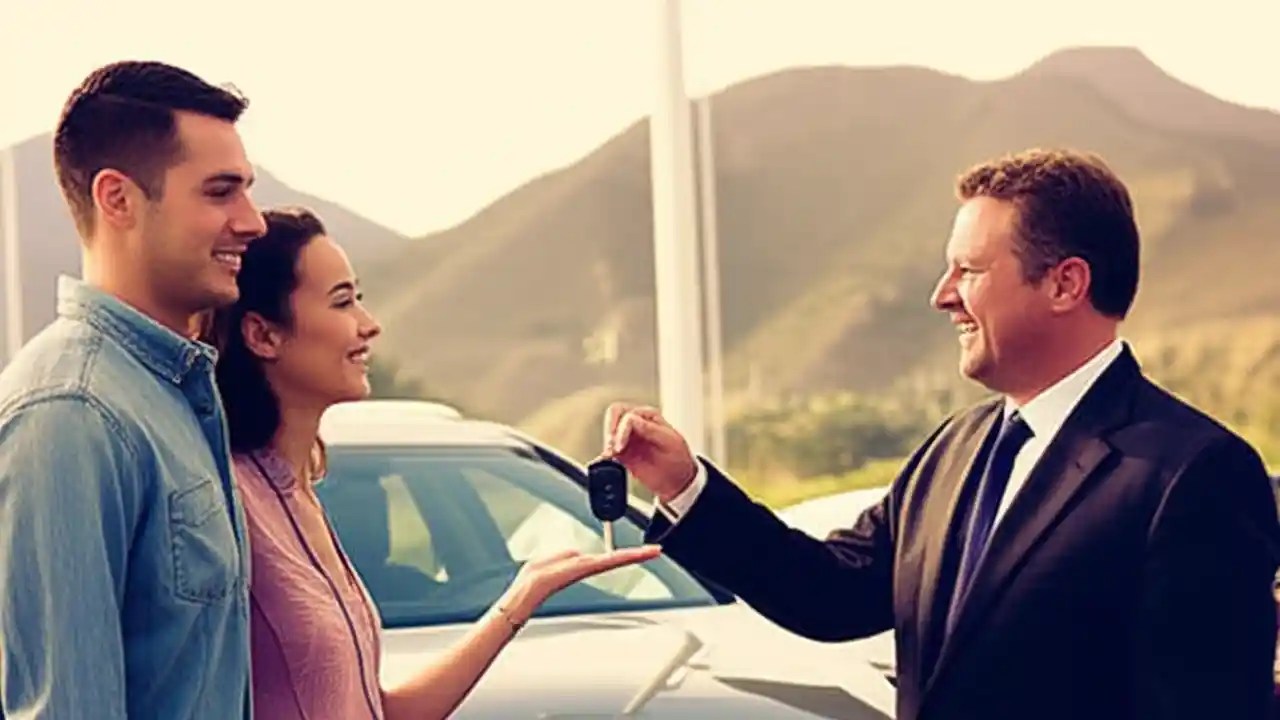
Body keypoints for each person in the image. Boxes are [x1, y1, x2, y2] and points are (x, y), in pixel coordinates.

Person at [601, 148, 1280, 720]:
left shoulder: (1194, 475)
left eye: (969, 270)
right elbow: (830, 594)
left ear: (1066, 284)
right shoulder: (954, 448)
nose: (942, 294)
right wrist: (683, 483)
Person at [201, 206, 660, 720]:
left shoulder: (303, 493)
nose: (369, 325)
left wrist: (523, 595)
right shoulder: (227, 502)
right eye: (343, 302)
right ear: (263, 335)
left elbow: (381, 712)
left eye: (359, 299)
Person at [0, 61, 267, 718]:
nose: (253, 221)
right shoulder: (72, 413)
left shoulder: (170, 391)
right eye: (220, 192)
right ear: (117, 199)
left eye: (247, 190)